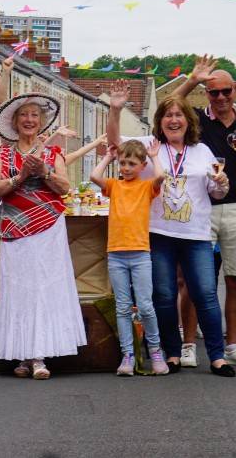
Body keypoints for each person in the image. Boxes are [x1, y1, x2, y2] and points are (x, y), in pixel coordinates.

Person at [107, 94, 235, 376]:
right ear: (160, 121)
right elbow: (115, 145)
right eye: (168, 115)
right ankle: (173, 353)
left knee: (205, 293)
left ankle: (217, 356)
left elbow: (216, 191)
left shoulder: (203, 151)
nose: (173, 120)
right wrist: (115, 109)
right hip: (158, 233)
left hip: (196, 235)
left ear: (188, 121)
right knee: (163, 296)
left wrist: (222, 183)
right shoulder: (148, 147)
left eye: (179, 115)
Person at [169, 56, 236, 368]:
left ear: (235, 91)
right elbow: (171, 104)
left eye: (226, 91)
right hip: (203, 209)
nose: (221, 97)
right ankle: (187, 343)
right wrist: (194, 79)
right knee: (197, 281)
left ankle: (233, 345)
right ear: (206, 95)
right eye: (214, 92)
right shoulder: (196, 120)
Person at [0, 93, 85, 380]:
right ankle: (22, 354)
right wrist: (18, 178)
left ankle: (39, 355)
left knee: (44, 288)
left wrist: (43, 172)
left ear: (41, 122)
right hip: (15, 228)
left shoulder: (53, 154)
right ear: (14, 122)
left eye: (34, 115)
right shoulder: (3, 153)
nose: (29, 120)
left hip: (48, 227)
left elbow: (64, 187)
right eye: (24, 115)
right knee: (19, 288)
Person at [89, 140, 168, 377]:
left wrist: (154, 157)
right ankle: (128, 354)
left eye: (131, 163)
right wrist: (108, 157)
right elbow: (94, 176)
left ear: (141, 165)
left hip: (140, 253)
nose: (126, 167)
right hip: (116, 254)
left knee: (145, 305)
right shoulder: (114, 186)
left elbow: (161, 177)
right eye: (123, 163)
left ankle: (155, 350)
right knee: (122, 307)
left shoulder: (146, 187)